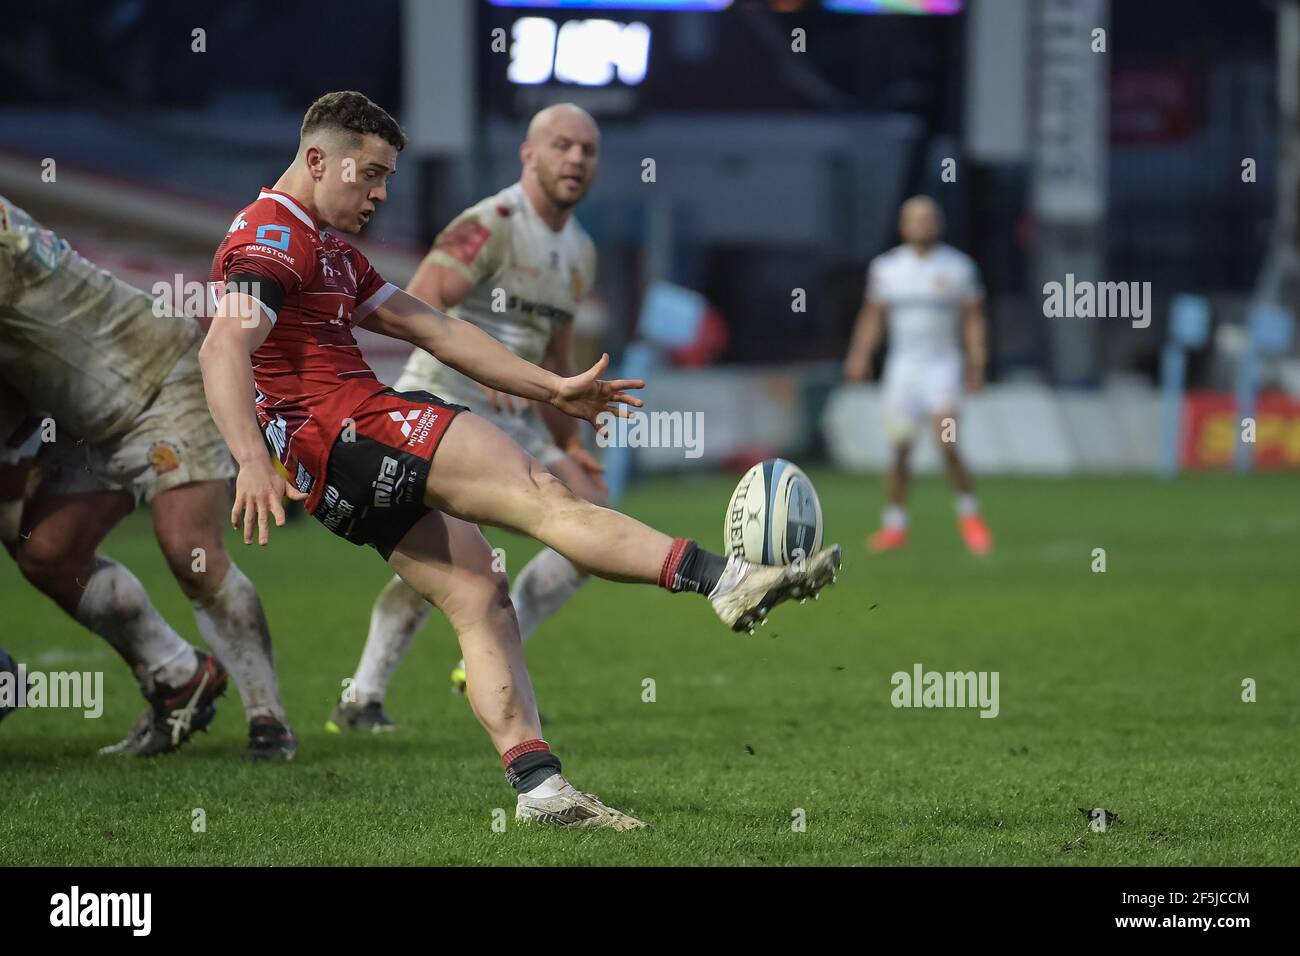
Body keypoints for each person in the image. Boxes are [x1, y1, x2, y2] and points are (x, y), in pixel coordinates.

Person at [200, 90, 841, 829]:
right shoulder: (272, 235)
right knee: (543, 496)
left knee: (480, 596)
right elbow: (223, 345)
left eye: (387, 178)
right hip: (353, 424)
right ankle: (725, 577)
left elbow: (436, 330)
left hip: (332, 469)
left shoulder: (331, 249)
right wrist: (247, 458)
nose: (380, 193)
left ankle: (539, 790)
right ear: (317, 160)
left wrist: (553, 389)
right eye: (370, 174)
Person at [331, 103, 609, 733]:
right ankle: (361, 697)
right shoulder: (491, 223)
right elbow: (421, 298)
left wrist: (569, 435)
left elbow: (556, 351)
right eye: (562, 145)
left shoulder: (581, 251)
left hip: (517, 408)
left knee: (592, 511)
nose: (575, 159)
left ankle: (486, 658)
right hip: (443, 397)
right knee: (443, 552)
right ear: (529, 155)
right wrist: (494, 364)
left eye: (587, 150)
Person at [0, 198, 294, 758]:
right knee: (48, 553)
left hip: (163, 376)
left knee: (190, 550)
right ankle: (176, 677)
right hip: (79, 412)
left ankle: (269, 720)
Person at [844, 195, 993, 555]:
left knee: (946, 443)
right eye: (915, 218)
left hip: (943, 368)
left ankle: (970, 515)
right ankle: (894, 525)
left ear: (938, 224)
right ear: (903, 225)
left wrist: (977, 362)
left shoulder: (958, 268)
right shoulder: (887, 269)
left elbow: (973, 319)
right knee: (899, 448)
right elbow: (872, 316)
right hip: (903, 371)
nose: (922, 224)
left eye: (928, 218)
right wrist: (860, 354)